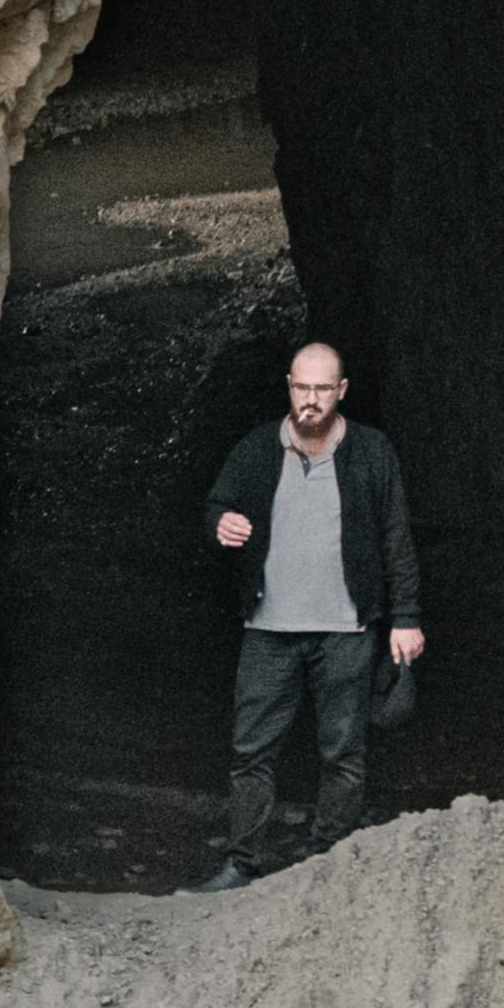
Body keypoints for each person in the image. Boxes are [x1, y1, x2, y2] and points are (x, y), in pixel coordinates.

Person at [199, 342, 425, 888]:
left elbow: (397, 537)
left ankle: (329, 869)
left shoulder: (371, 452)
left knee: (343, 752)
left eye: (323, 389)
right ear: (289, 386)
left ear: (341, 391)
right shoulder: (257, 449)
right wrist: (220, 524)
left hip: (345, 628)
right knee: (250, 751)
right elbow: (215, 505)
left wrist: (407, 616)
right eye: (302, 387)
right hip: (268, 628)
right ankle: (241, 863)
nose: (311, 400)